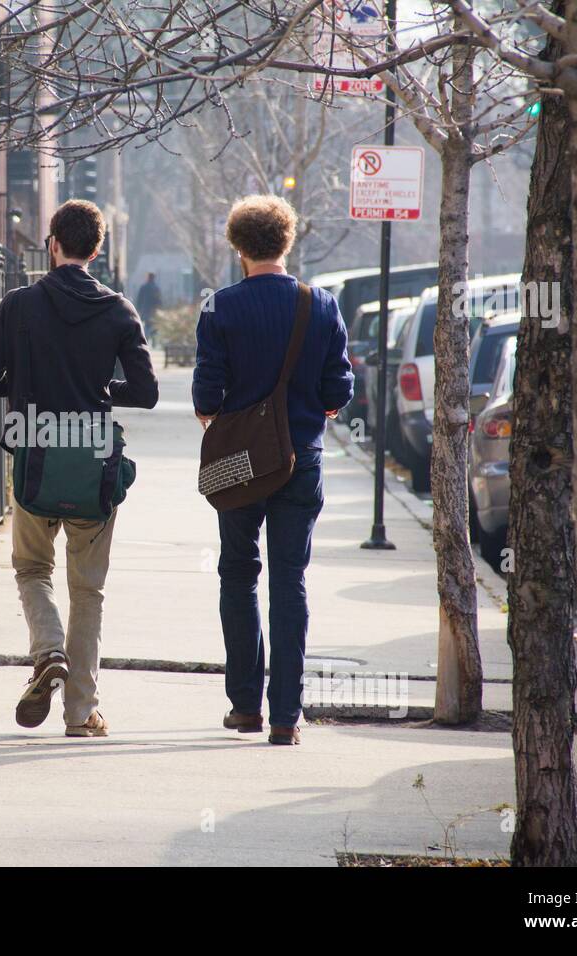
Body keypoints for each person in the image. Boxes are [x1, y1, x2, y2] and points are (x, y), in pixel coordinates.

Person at [0, 199, 159, 737]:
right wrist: (101, 388)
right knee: (89, 590)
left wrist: (31, 386)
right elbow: (145, 393)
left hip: (35, 453)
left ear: (52, 243)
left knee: (33, 570)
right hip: (95, 460)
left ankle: (47, 651)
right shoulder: (120, 310)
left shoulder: (20, 304)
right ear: (96, 249)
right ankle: (81, 712)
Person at [192, 195, 353, 746]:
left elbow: (206, 395)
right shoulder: (321, 304)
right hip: (301, 457)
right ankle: (287, 714)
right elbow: (339, 388)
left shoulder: (220, 307)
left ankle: (244, 705)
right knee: (290, 580)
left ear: (239, 247)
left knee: (238, 573)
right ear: (287, 242)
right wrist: (313, 410)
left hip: (238, 461)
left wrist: (224, 413)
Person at [134, 272, 162, 343]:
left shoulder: (143, 287)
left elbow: (139, 299)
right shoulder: (156, 288)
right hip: (153, 310)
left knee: (146, 325)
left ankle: (146, 339)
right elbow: (159, 300)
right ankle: (154, 341)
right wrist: (159, 308)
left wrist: (138, 308)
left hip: (145, 309)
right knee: (153, 325)